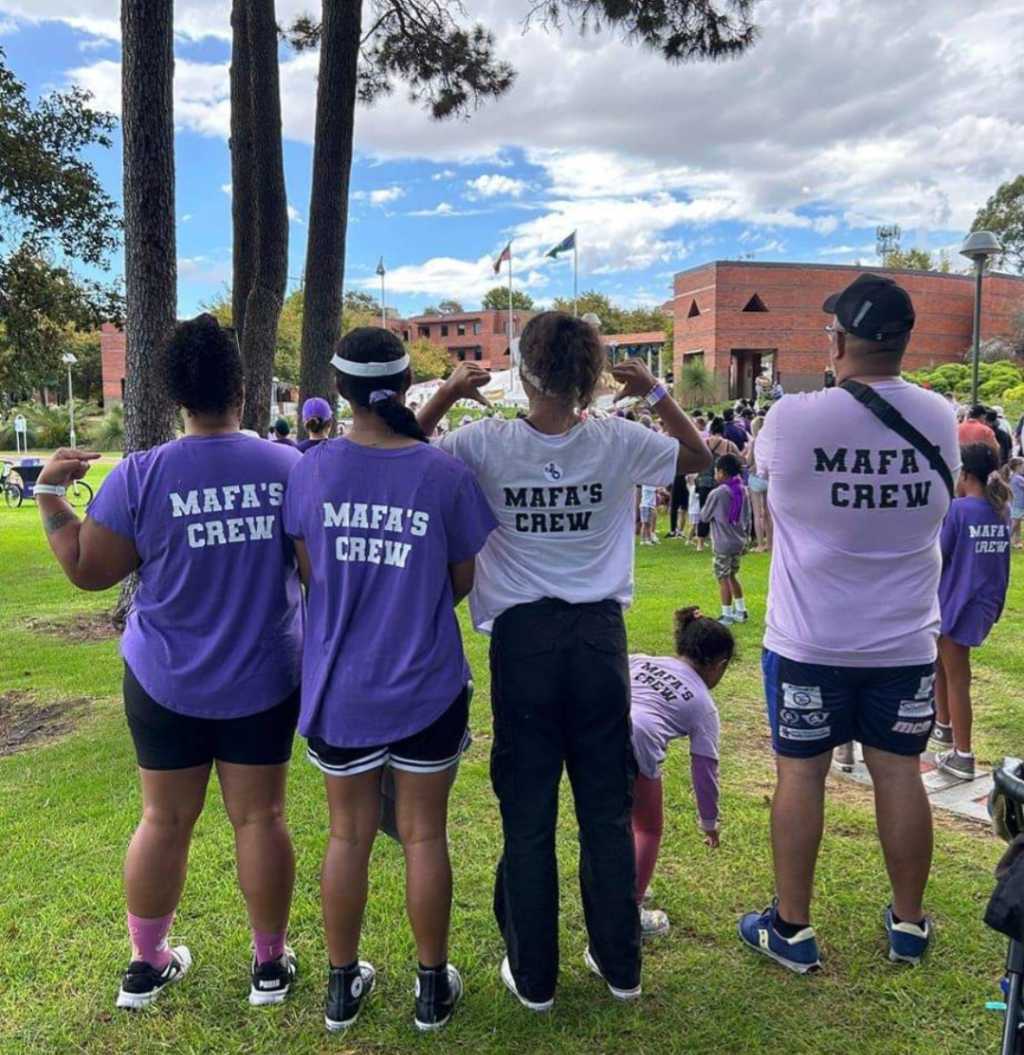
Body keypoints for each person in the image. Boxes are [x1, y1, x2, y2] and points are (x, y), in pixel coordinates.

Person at [416, 311, 711, 1011]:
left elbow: (405, 447)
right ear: (592, 376)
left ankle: (535, 973)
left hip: (524, 643)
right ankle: (619, 964)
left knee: (529, 811)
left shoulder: (484, 441)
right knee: (605, 808)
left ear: (523, 372)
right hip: (599, 641)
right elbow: (698, 458)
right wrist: (659, 392)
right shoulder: (618, 440)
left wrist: (449, 393)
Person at [33, 314, 304, 1009]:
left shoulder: (141, 475)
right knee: (261, 819)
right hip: (263, 677)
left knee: (163, 819)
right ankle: (268, 968)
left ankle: (146, 965)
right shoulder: (287, 468)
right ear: (242, 387)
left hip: (163, 680)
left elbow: (89, 571)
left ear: (175, 394)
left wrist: (49, 498)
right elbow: (318, 571)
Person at [739, 273, 959, 972]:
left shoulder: (795, 417)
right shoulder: (941, 416)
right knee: (902, 775)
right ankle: (910, 922)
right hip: (901, 641)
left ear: (838, 340)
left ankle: (793, 928)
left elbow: (763, 482)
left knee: (800, 775)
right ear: (906, 342)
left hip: (810, 641)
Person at [282, 328, 496, 1033]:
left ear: (337, 390)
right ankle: (431, 989)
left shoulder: (309, 470)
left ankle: (343, 988)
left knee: (347, 836)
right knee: (424, 834)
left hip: (341, 687)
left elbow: (311, 571)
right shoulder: (443, 477)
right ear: (406, 385)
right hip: (428, 685)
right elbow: (460, 580)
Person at [629, 607, 732, 938]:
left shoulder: (640, 659)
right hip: (637, 742)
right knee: (647, 828)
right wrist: (709, 823)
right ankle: (630, 909)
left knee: (612, 820)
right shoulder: (703, 704)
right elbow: (705, 769)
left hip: (588, 737)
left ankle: (617, 883)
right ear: (719, 666)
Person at [931, 443, 1012, 780]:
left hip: (956, 603)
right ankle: (943, 727)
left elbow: (938, 556)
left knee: (957, 677)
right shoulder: (1000, 510)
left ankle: (963, 755)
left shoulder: (959, 510)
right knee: (941, 664)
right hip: (980, 603)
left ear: (963, 474)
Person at [698, 453, 751, 625]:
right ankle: (741, 610)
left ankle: (726, 614)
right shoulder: (742, 489)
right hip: (738, 540)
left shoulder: (718, 493)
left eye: (716, 471)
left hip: (722, 542)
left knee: (723, 577)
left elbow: (704, 516)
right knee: (733, 575)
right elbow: (748, 516)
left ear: (721, 472)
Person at [694, 419, 742, 550]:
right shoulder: (728, 445)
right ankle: (719, 538)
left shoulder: (705, 443)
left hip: (704, 480)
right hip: (721, 483)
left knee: (704, 509)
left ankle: (700, 543)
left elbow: (697, 459)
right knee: (721, 511)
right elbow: (739, 459)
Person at [748, 414, 771, 552]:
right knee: (768, 513)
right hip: (768, 477)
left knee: (757, 514)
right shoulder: (770, 442)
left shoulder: (754, 442)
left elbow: (749, 461)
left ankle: (760, 544)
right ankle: (771, 543)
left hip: (755, 477)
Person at [667, 472, 690, 539]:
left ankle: (677, 531)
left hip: (681, 482)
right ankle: (676, 530)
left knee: (680, 508)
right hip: (679, 481)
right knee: (678, 508)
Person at [1009, 457, 1024, 549]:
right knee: (1015, 523)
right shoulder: (1018, 478)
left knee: (1017, 524)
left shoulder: (1014, 477)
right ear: (1017, 466)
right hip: (1018, 504)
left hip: (1017, 504)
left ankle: (1016, 542)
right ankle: (1006, 538)